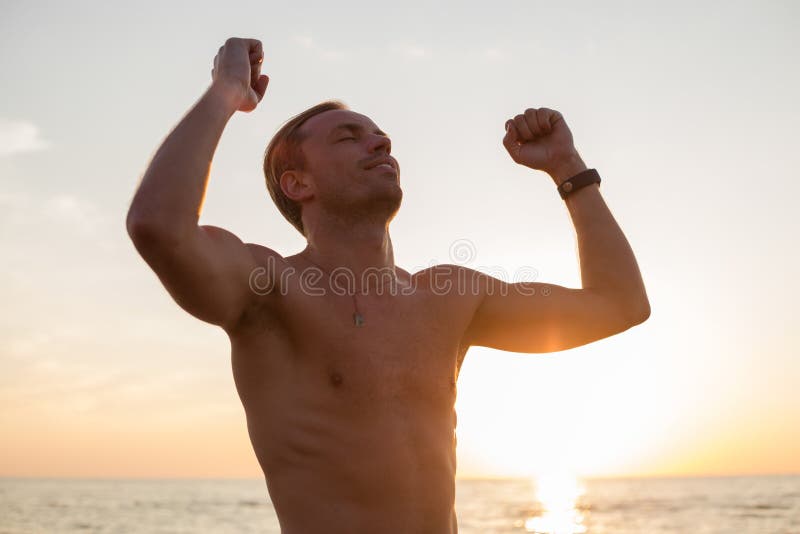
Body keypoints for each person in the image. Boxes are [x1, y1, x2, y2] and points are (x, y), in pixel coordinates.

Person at [126, 37, 650, 533]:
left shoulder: (449, 296)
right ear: (298, 183)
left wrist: (568, 167)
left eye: (379, 135)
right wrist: (227, 92)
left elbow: (620, 304)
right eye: (348, 137)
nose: (380, 142)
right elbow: (158, 225)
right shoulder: (267, 287)